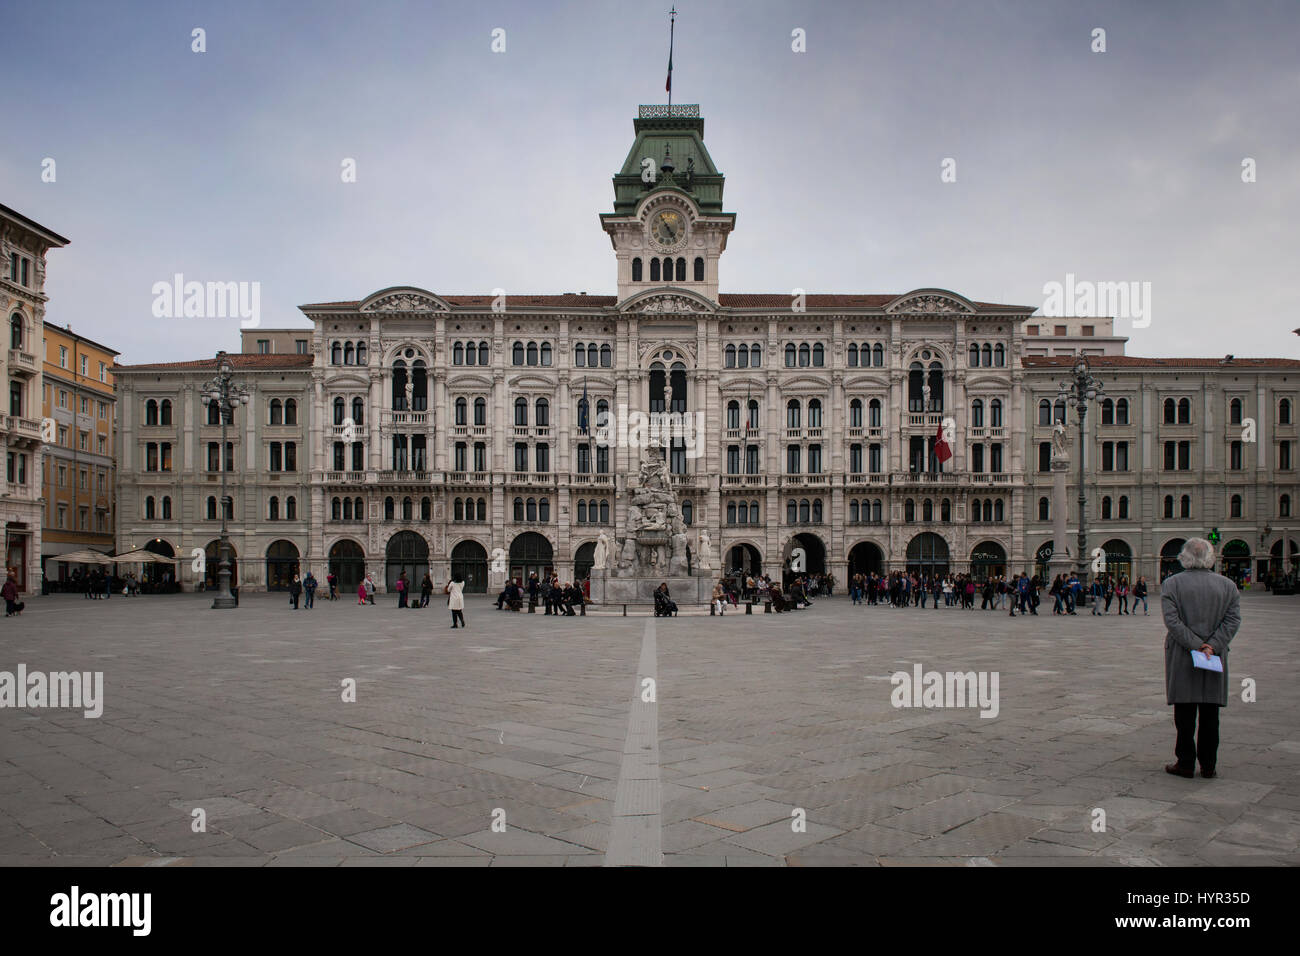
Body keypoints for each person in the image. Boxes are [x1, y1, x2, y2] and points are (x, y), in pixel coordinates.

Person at [1161, 538, 1241, 779]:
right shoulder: (1228, 586)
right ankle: (1208, 765)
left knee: (1184, 713)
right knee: (1210, 713)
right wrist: (1212, 646)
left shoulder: (1172, 584)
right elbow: (1233, 620)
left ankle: (1185, 762)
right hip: (1213, 657)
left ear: (1184, 557)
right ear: (1210, 557)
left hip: (1183, 655)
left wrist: (1197, 645)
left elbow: (1172, 622)